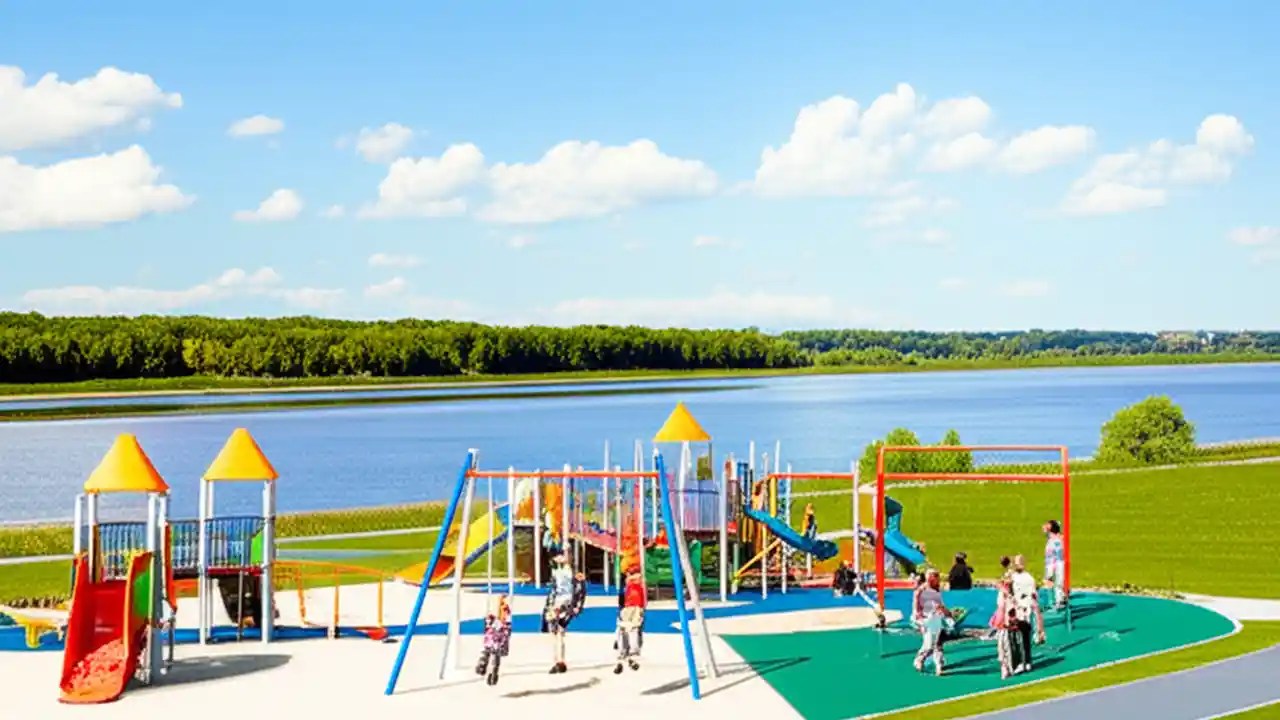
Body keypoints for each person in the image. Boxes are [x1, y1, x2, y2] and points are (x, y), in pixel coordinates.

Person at [541, 552, 578, 674]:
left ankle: (559, 661)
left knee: (558, 633)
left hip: (561, 602)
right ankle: (558, 660)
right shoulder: (558, 571)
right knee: (556, 633)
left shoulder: (566, 571)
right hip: (560, 601)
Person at [1009, 555, 1046, 674]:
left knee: (1022, 637)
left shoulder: (1024, 578)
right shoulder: (1019, 577)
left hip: (1023, 608)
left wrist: (1040, 626)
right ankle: (1024, 662)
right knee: (1021, 637)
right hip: (1022, 608)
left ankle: (1024, 662)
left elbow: (1033, 599)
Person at [913, 569, 954, 676]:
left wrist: (946, 612)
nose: (938, 581)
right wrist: (918, 617)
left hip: (936, 618)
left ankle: (939, 665)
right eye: (936, 578)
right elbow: (916, 607)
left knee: (938, 643)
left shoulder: (936, 590)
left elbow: (939, 604)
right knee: (929, 644)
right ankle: (919, 659)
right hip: (926, 619)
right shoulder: (921, 591)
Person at [614, 566, 647, 673]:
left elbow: (638, 577)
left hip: (636, 608)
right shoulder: (629, 584)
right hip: (628, 608)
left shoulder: (638, 584)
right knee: (624, 629)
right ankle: (624, 656)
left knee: (634, 630)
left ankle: (631, 656)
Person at [475, 594, 512, 686]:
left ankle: (487, 668)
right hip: (498, 634)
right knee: (494, 653)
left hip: (495, 634)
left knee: (490, 651)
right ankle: (490, 669)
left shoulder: (502, 612)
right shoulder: (502, 613)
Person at [987, 580, 1019, 679]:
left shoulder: (1011, 598)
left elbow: (1012, 611)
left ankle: (1010, 667)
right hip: (1001, 626)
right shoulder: (1002, 595)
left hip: (1008, 626)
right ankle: (1004, 667)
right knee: (1001, 647)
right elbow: (1000, 608)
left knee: (1008, 647)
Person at [1043, 520, 1067, 609]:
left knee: (1056, 582)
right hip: (1053, 562)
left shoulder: (1058, 538)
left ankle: (1056, 601)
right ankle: (1054, 600)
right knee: (1052, 581)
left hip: (1056, 562)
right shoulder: (1055, 537)